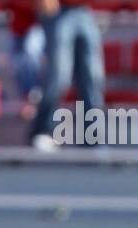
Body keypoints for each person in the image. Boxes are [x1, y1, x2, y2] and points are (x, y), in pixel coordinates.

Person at [31, 0, 105, 150]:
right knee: (58, 76)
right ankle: (44, 130)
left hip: (83, 11)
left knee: (92, 77)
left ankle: (92, 135)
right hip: (59, 11)